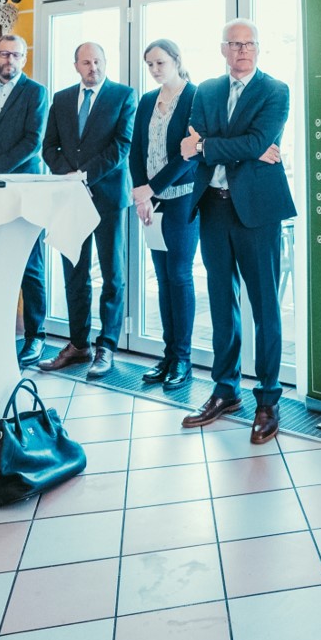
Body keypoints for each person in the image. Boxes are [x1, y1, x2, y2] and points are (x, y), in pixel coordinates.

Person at [179, 19, 295, 445]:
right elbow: (195, 142)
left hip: (258, 212)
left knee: (265, 307)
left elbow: (254, 140)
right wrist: (237, 145)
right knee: (221, 303)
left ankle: (268, 400)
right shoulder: (205, 91)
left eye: (249, 44)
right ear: (223, 49)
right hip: (213, 207)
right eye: (234, 44)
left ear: (259, 49)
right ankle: (225, 390)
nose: (242, 50)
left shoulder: (275, 91)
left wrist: (210, 144)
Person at [38, 42, 137, 380]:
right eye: (86, 62)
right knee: (74, 273)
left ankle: (106, 347)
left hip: (108, 197)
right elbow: (48, 146)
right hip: (70, 199)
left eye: (98, 61)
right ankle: (78, 344)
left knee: (113, 275)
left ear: (105, 62)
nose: (92, 67)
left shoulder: (124, 96)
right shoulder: (62, 98)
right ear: (76, 66)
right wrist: (68, 177)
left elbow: (122, 146)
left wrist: (83, 176)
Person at [0, 33, 53, 369]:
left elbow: (34, 141)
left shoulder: (36, 93)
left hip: (23, 188)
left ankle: (36, 336)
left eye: (16, 55)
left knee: (30, 265)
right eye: (4, 54)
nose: (10, 61)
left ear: (24, 59)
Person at [129, 39, 200, 390]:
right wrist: (141, 193)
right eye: (150, 65)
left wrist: (152, 188)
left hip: (183, 198)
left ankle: (183, 359)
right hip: (151, 201)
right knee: (160, 275)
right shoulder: (146, 101)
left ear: (176, 59)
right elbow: (136, 151)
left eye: (160, 63)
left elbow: (190, 157)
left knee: (179, 274)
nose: (156, 70)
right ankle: (168, 354)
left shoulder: (194, 97)